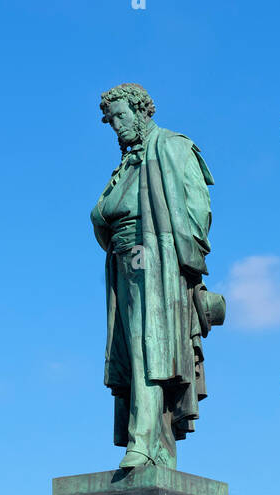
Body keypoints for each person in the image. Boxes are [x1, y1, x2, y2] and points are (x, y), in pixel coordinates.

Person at [91, 83, 225, 471]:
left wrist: (186, 266)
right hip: (122, 260)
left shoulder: (171, 145)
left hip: (154, 258)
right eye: (110, 120)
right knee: (129, 354)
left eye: (120, 116)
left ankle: (144, 439)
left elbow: (198, 208)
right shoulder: (125, 163)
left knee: (146, 347)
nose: (116, 126)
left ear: (141, 111)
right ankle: (157, 445)